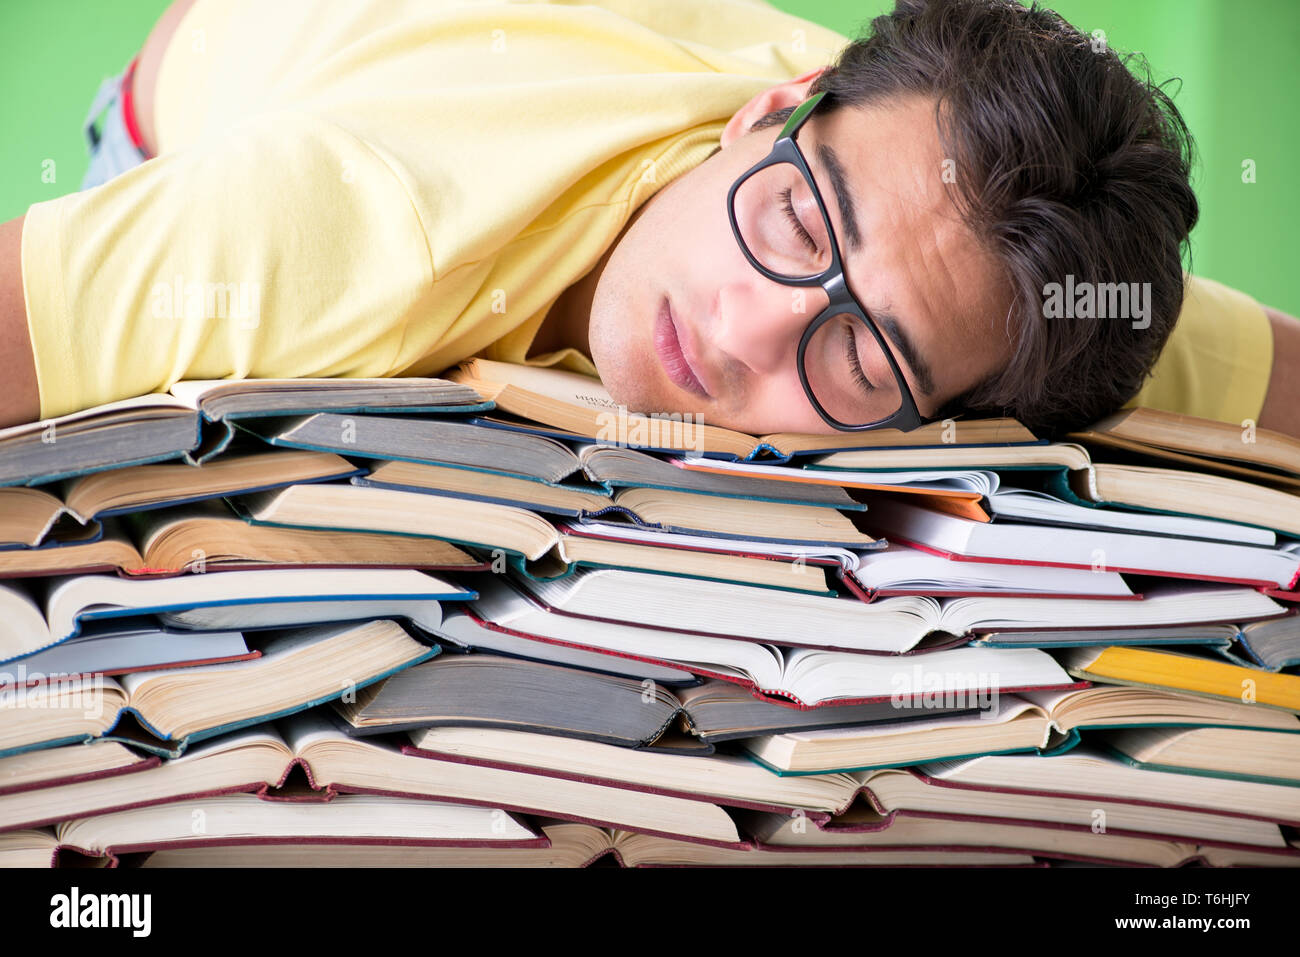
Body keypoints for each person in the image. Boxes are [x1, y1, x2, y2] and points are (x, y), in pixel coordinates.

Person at [0, 0, 1296, 439]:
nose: (742, 329)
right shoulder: (350, 226)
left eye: (862, 356)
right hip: (202, 90)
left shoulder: (998, 272)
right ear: (768, 112)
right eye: (798, 219)